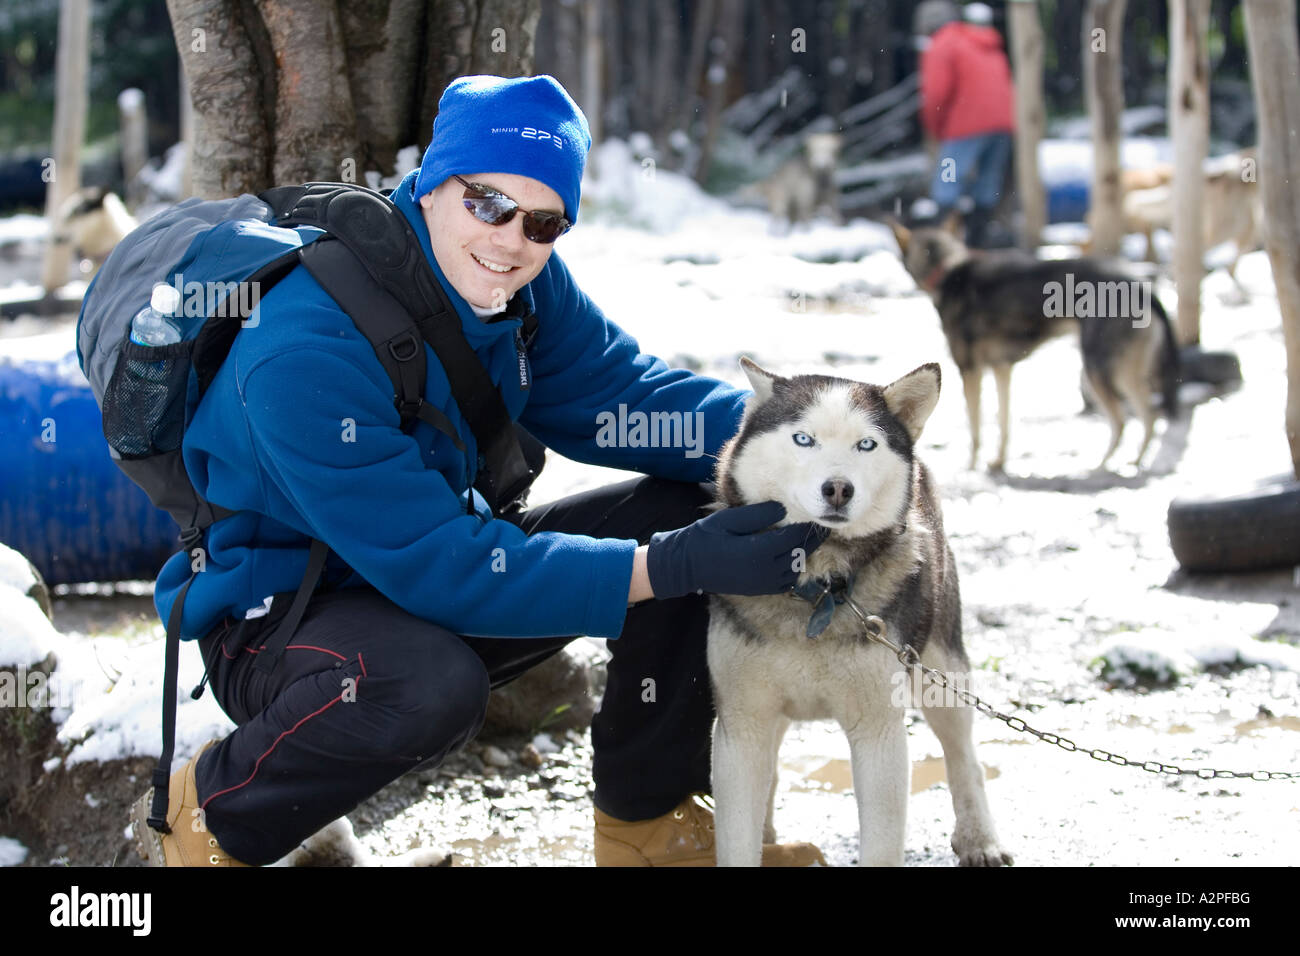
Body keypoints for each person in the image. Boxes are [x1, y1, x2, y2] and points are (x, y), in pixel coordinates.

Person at [134, 74, 828, 867]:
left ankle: (648, 827)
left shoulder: (522, 287)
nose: (509, 241)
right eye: (487, 203)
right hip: (283, 621)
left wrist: (805, 437)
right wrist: (671, 564)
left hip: (437, 570)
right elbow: (443, 565)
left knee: (695, 497)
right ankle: (209, 822)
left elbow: (626, 397)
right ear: (430, 184)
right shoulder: (301, 348)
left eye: (543, 222)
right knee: (428, 683)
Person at [914, 0, 1016, 248]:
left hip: (965, 125)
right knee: (987, 184)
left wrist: (936, 129)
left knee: (948, 180)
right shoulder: (983, 39)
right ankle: (978, 244)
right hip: (1003, 123)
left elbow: (936, 94)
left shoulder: (942, 45)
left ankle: (941, 244)